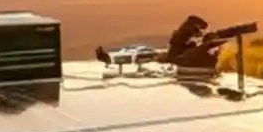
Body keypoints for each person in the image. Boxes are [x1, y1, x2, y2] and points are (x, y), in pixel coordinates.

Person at [95, 15, 223, 78]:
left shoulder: (205, 52)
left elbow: (205, 51)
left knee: (151, 53)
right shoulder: (198, 49)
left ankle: (110, 59)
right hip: (184, 58)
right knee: (145, 52)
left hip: (184, 60)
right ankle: (110, 58)